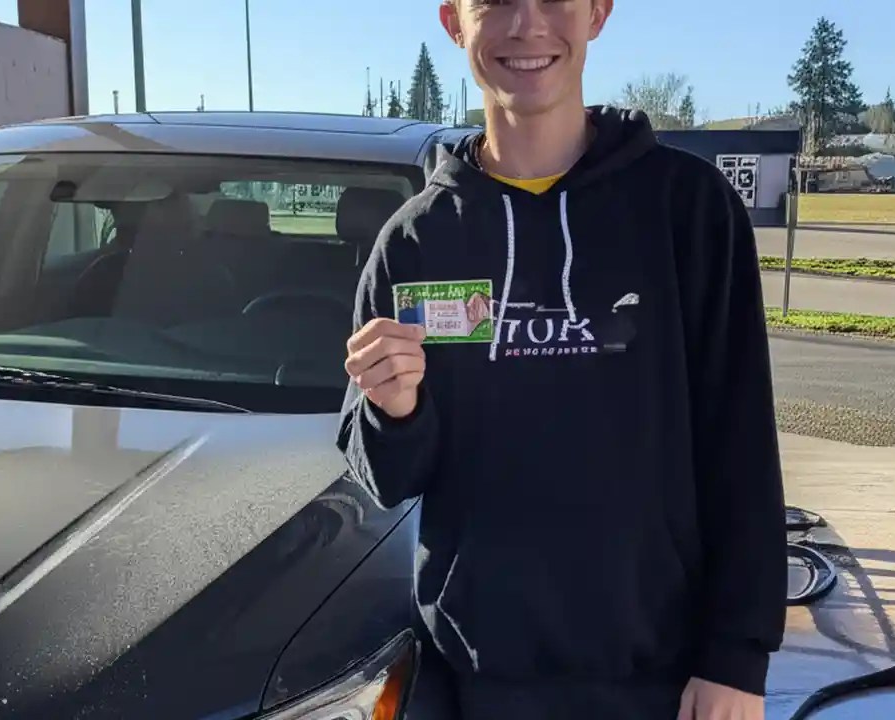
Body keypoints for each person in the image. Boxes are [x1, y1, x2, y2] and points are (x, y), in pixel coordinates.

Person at [337, 0, 787, 717]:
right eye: (498, 4)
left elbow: (742, 446)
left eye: (554, 0)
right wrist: (395, 412)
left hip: (662, 681)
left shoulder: (688, 211)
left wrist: (737, 655)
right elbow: (390, 480)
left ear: (598, 12)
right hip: (480, 681)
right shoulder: (415, 244)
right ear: (455, 22)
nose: (528, 25)